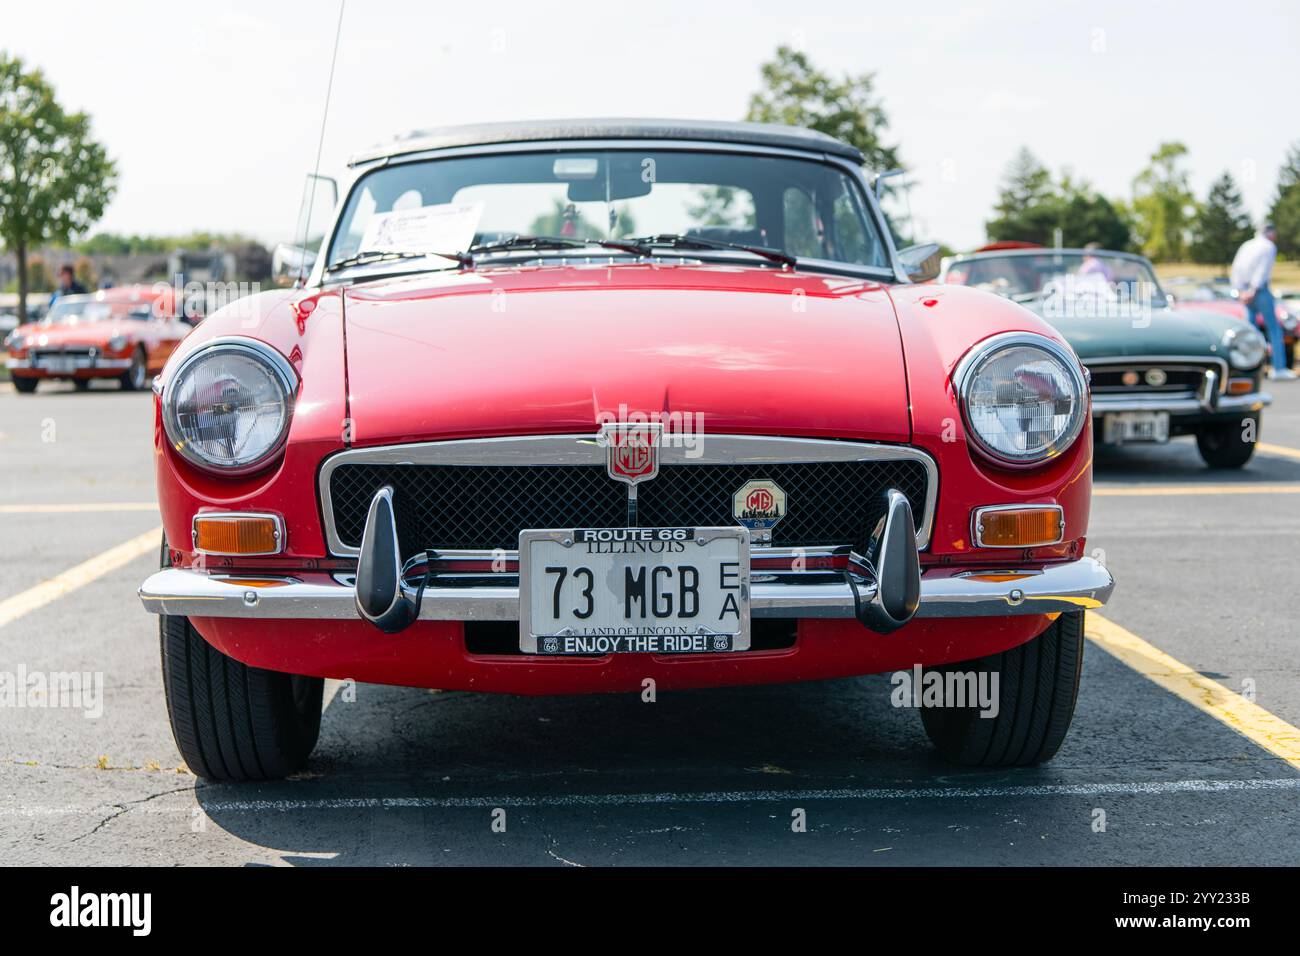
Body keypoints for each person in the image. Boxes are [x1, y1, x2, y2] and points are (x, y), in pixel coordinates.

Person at [1231, 223, 1292, 380]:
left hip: (1244, 291)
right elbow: (1262, 271)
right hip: (1258, 291)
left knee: (1251, 331)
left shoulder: (1247, 245)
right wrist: (1253, 290)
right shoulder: (1268, 247)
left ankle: (1250, 367)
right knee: (1274, 329)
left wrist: (1240, 291)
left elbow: (1236, 268)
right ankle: (1278, 368)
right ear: (1270, 233)